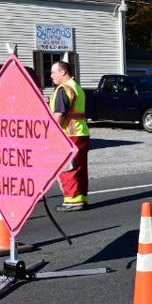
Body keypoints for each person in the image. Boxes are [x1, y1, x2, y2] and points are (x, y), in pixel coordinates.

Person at [49, 60, 90, 211]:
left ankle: (72, 200)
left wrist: (51, 134)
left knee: (68, 167)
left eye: (54, 72)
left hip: (69, 134)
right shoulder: (77, 87)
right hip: (81, 132)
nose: (51, 75)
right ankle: (81, 197)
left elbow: (59, 114)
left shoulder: (63, 89)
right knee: (79, 167)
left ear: (63, 72)